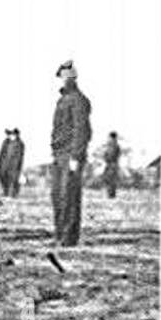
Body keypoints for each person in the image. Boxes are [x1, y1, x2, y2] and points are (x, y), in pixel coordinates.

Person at [51, 61, 92, 246]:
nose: (61, 81)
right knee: (58, 196)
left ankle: (68, 237)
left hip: (70, 155)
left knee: (69, 196)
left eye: (64, 77)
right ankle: (60, 234)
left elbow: (81, 130)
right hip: (60, 155)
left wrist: (76, 156)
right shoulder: (64, 100)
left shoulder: (78, 100)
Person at [0, 129, 24, 198]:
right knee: (3, 178)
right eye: (9, 134)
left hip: (13, 166)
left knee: (12, 180)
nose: (10, 136)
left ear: (16, 135)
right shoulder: (6, 142)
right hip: (4, 164)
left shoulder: (20, 144)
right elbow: (1, 154)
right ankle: (6, 193)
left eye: (12, 134)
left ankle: (11, 195)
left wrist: (17, 167)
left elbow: (19, 157)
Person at [101, 132, 122, 199]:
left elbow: (115, 155)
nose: (109, 139)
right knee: (108, 179)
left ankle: (111, 195)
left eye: (110, 138)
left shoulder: (115, 146)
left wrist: (107, 158)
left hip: (113, 164)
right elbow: (105, 155)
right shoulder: (109, 145)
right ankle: (109, 194)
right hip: (109, 164)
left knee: (112, 180)